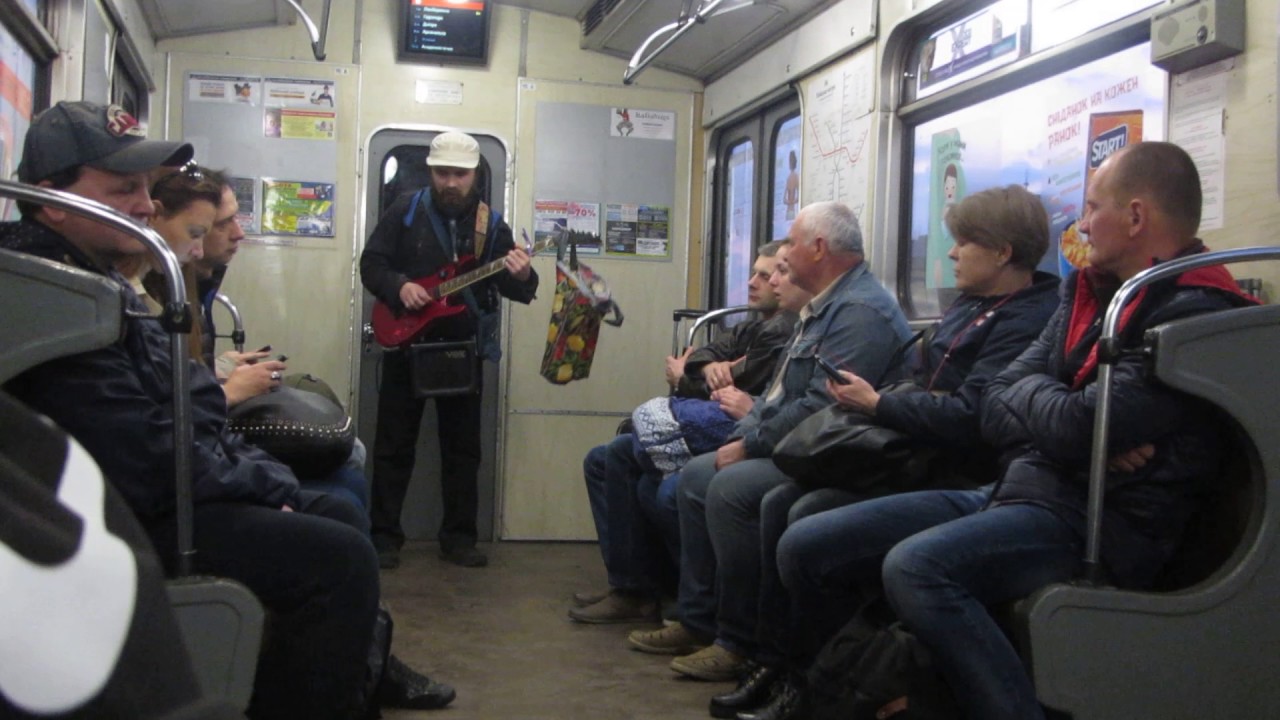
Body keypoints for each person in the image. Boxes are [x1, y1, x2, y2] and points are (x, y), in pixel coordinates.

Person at [1, 101, 454, 719]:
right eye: (121, 190)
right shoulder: (58, 299)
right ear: (53, 201)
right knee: (339, 559)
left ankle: (352, 692)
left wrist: (263, 480)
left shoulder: (99, 282)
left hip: (155, 486)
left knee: (339, 512)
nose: (143, 205)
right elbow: (146, 456)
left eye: (143, 189)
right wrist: (266, 482)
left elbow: (177, 407)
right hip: (129, 517)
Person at [775, 141, 1257, 720]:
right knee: (808, 546)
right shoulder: (1087, 295)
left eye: (1093, 206)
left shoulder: (1187, 313)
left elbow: (1067, 422)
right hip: (1027, 484)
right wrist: (1067, 420)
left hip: (1100, 518)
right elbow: (1003, 403)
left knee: (918, 568)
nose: (1081, 223)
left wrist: (1065, 419)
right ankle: (835, 693)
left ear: (1134, 217)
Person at [719, 184, 1060, 720]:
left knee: (804, 519)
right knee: (779, 502)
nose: (951, 253)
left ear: (1002, 253)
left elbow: (975, 416)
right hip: (912, 452)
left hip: (956, 470)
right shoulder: (968, 307)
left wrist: (878, 405)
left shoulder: (1028, 318)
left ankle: (821, 681)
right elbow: (938, 391)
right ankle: (780, 665)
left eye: (964, 242)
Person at [627, 201, 913, 681]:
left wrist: (750, 445)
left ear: (818, 249)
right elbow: (781, 398)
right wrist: (748, 432)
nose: (783, 262)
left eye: (792, 247)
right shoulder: (821, 309)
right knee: (697, 475)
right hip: (802, 442)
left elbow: (822, 409)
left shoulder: (858, 312)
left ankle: (740, 642)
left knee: (729, 488)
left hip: (838, 453)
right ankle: (701, 621)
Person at [569, 240, 801, 623]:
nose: (755, 282)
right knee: (604, 457)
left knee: (648, 476)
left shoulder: (783, 331)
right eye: (757, 272)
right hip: (714, 425)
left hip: (738, 433)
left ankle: (660, 591)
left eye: (769, 273)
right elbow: (706, 355)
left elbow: (708, 380)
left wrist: (687, 376)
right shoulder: (754, 325)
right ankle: (633, 585)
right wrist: (704, 368)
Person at [361, 130, 539, 569]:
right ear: (430, 173)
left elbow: (517, 289)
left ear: (474, 175)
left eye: (459, 174)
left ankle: (459, 539)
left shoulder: (490, 225)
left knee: (462, 451)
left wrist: (521, 275)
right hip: (407, 345)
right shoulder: (404, 211)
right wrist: (400, 287)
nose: (450, 183)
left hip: (462, 350)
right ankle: (384, 538)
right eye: (442, 173)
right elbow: (371, 265)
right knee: (392, 447)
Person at [190, 168, 369, 511]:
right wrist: (227, 393)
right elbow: (162, 410)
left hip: (209, 434)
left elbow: (179, 371)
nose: (239, 234)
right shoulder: (159, 292)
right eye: (221, 224)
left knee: (348, 456)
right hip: (200, 449)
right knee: (345, 485)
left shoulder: (196, 285)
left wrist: (221, 365)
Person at [783, 151, 799, 221]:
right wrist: (792, 202)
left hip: (791, 210)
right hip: (790, 210)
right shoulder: (792, 177)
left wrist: (790, 202)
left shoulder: (793, 177)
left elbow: (784, 200)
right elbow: (784, 199)